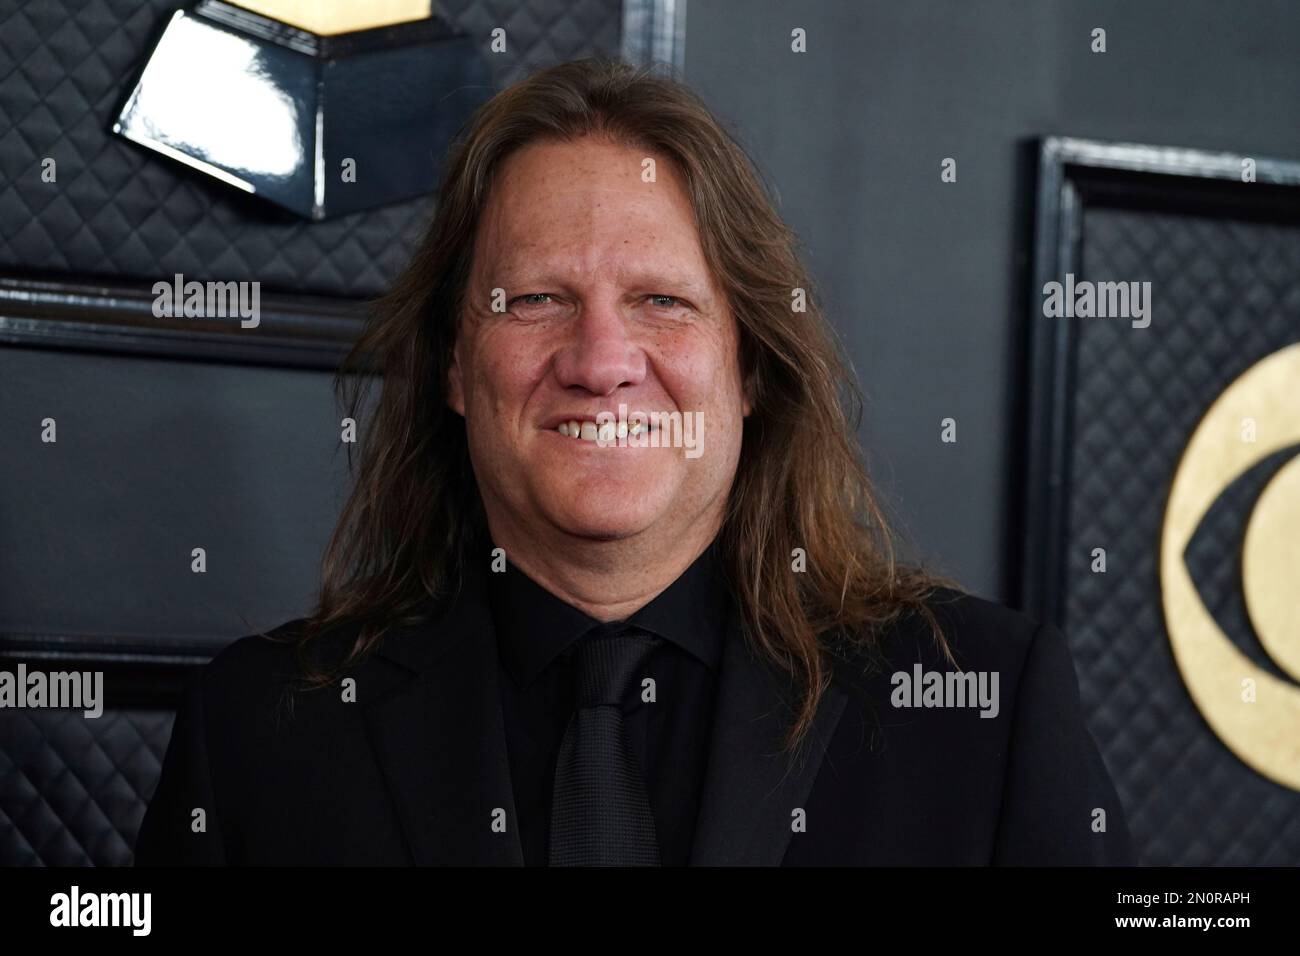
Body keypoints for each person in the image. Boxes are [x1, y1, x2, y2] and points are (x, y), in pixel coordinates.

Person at [135, 57, 1133, 866]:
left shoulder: (984, 705)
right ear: (451, 364)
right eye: (534, 299)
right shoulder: (264, 726)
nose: (602, 363)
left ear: (747, 366)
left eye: (662, 300)